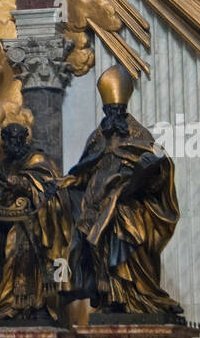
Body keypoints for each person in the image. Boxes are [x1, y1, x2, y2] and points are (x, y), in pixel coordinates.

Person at [60, 64, 183, 321]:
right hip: (97, 206)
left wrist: (146, 171)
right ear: (104, 110)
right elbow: (83, 168)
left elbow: (159, 163)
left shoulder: (138, 134)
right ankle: (112, 298)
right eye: (109, 110)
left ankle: (143, 296)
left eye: (118, 110)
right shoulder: (98, 137)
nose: (113, 114)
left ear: (124, 109)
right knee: (99, 249)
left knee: (128, 237)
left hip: (129, 204)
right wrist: (66, 183)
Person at [0, 123, 66, 320]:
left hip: (33, 225)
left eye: (12, 141)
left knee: (16, 250)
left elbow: (53, 190)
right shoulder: (5, 164)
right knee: (4, 250)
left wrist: (22, 185)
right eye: (6, 142)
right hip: (6, 220)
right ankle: (11, 303)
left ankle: (25, 304)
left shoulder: (38, 159)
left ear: (22, 140)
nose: (8, 146)